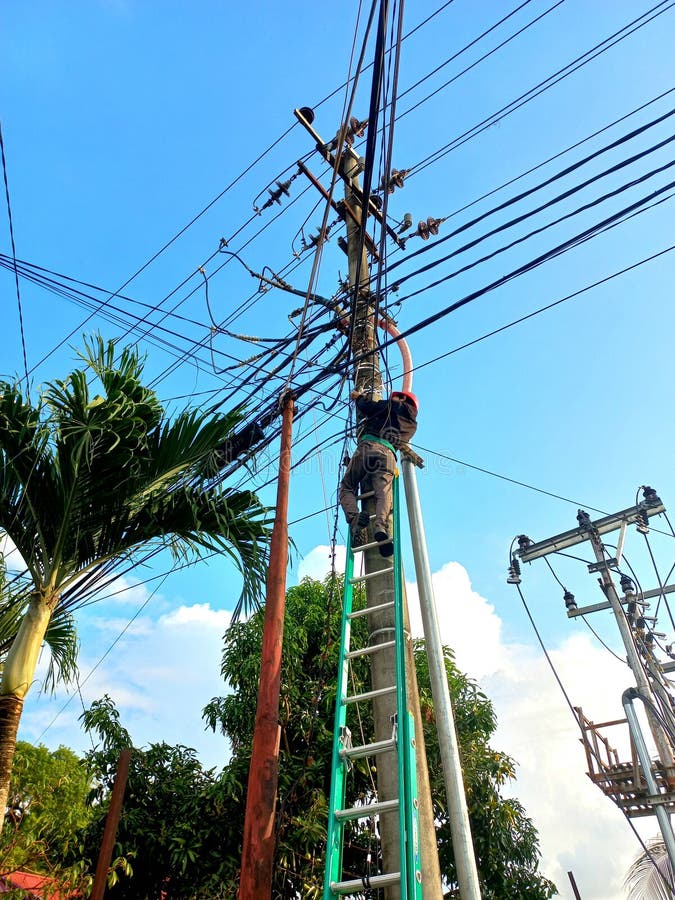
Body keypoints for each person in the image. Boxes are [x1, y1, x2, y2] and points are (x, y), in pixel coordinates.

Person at [339, 388, 419, 556]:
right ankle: (381, 525)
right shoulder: (412, 426)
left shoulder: (391, 405)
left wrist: (358, 397)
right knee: (383, 493)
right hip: (389, 454)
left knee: (347, 486)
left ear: (402, 398)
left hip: (369, 445)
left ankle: (355, 519)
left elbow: (367, 407)